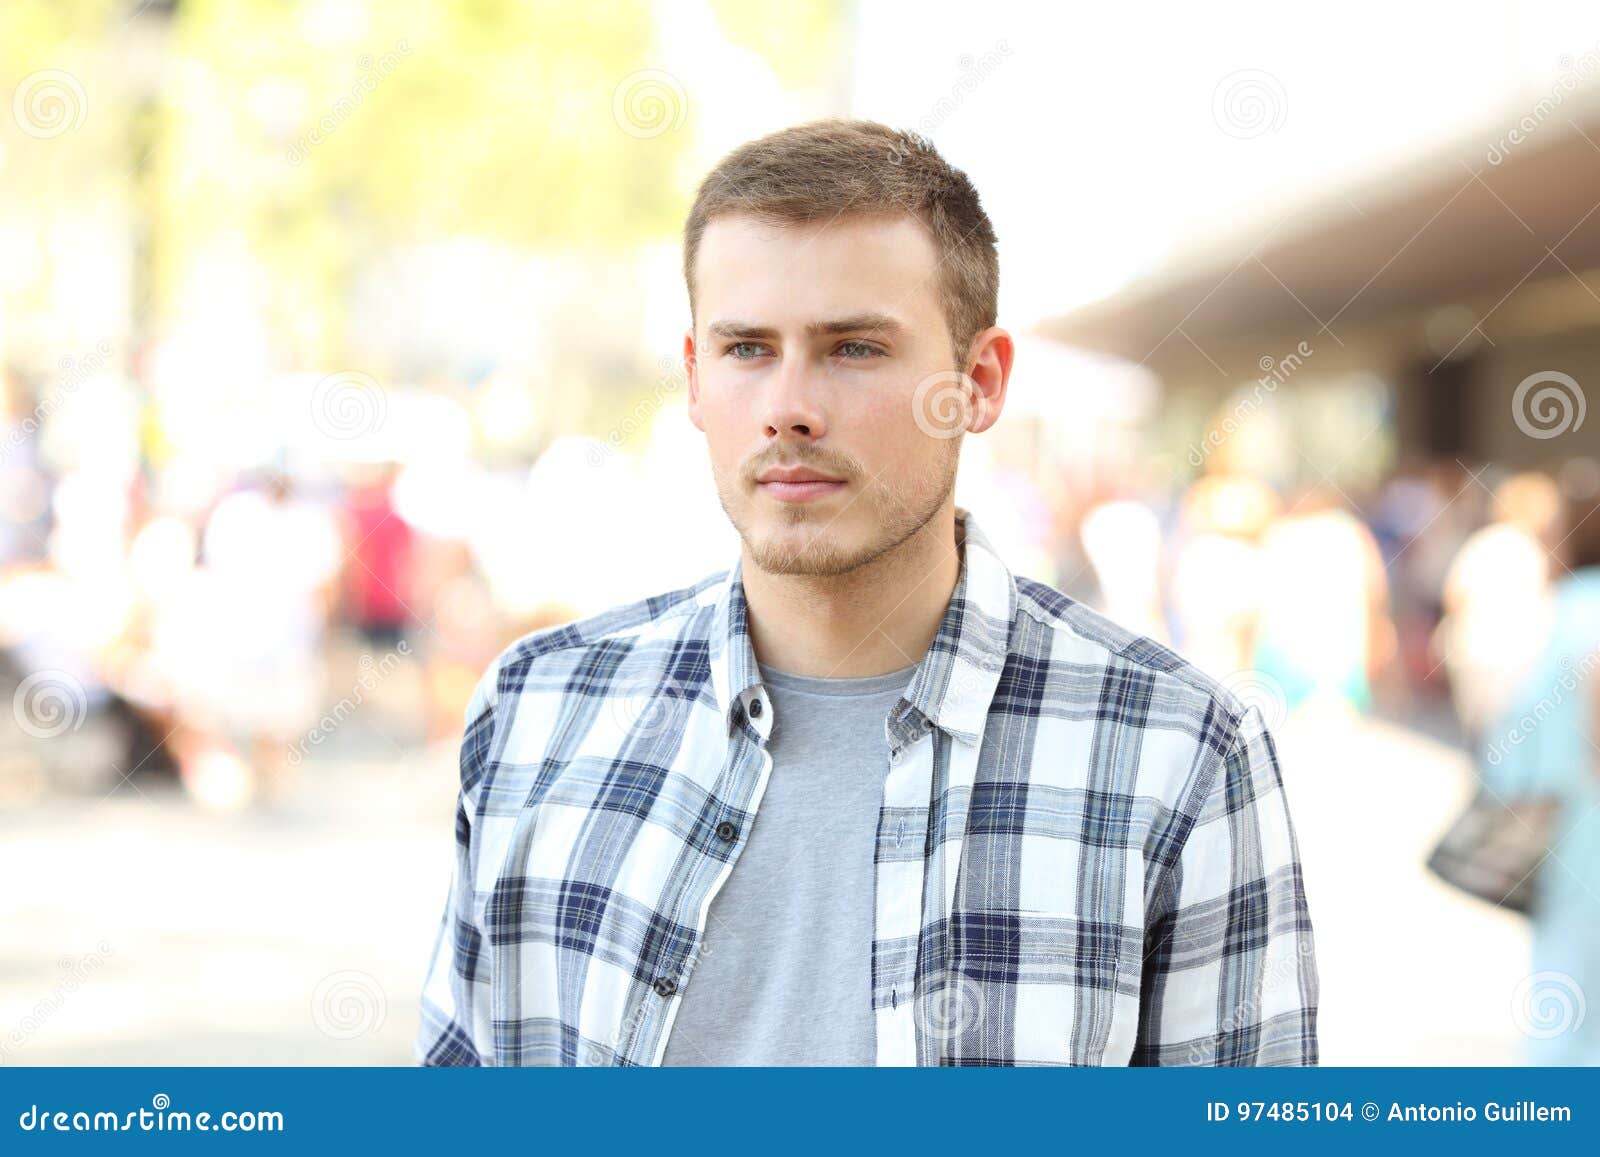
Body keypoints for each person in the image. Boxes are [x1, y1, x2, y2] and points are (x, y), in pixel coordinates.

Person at [415, 120, 1319, 1067]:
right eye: (747, 349)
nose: (789, 405)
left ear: (978, 381)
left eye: (853, 348)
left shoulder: (1179, 753)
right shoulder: (536, 713)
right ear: (692, 379)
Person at [1478, 467, 1600, 1065]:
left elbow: (1533, 718)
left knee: (1570, 980)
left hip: (1581, 820)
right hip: (1580, 813)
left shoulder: (1575, 606)